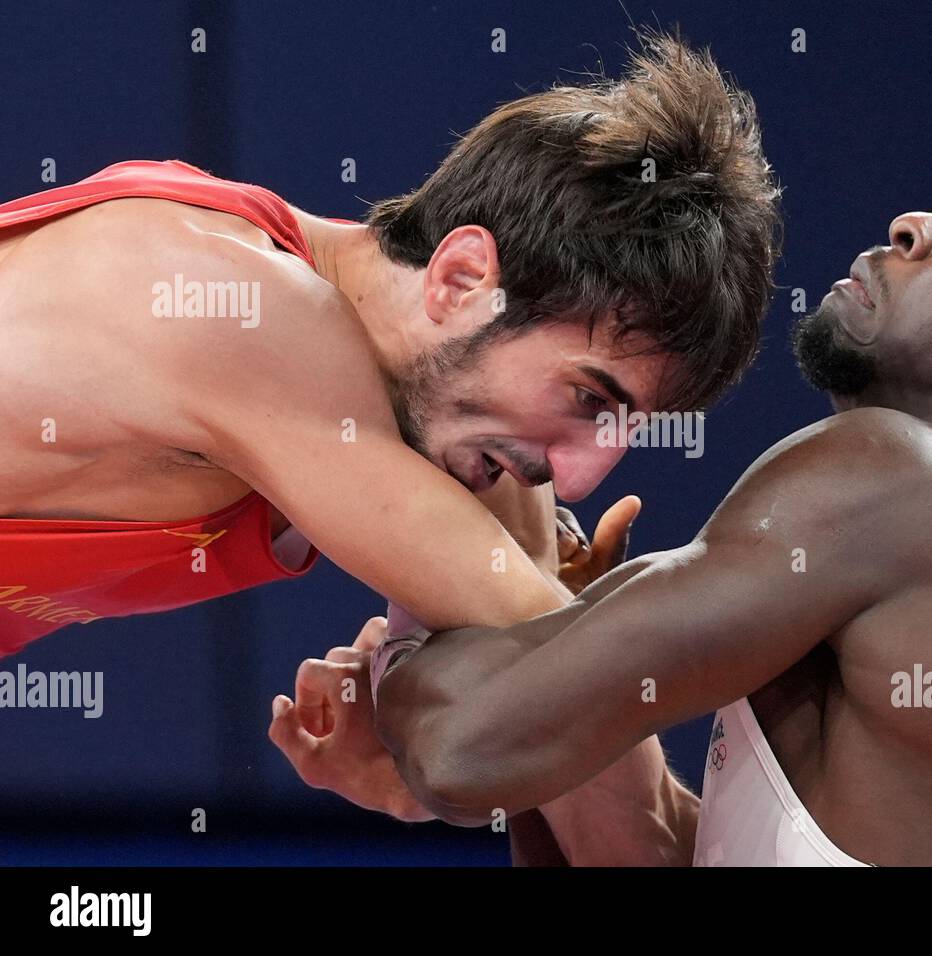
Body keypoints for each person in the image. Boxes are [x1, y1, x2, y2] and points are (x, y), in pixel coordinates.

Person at [339, 151, 932, 865]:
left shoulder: (911, 480)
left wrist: (434, 599)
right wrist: (547, 630)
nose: (915, 224)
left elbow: (464, 750)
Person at [0, 33, 781, 865]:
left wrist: (447, 758)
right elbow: (587, 701)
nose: (580, 474)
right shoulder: (238, 312)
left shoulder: (469, 429)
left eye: (627, 426)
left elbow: (593, 783)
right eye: (588, 399)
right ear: (459, 281)